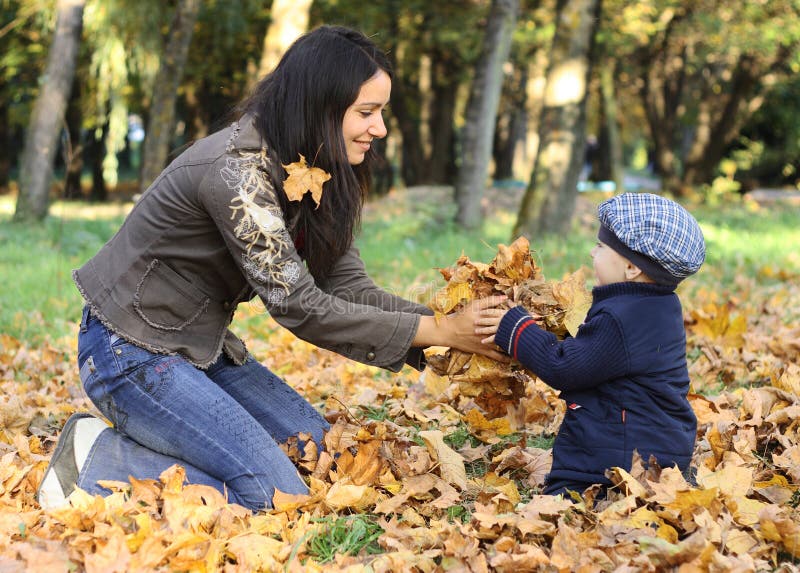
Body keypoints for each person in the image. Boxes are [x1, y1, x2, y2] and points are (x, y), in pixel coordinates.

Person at [37, 25, 505, 512]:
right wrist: (441, 330)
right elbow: (299, 306)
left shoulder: (313, 167)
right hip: (129, 353)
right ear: (319, 107)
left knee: (319, 455)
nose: (380, 129)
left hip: (201, 350)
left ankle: (178, 439)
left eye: (380, 112)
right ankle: (95, 458)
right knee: (276, 494)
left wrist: (457, 334)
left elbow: (348, 287)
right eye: (366, 113)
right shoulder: (237, 172)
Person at [474, 193, 705, 497]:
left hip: (619, 462)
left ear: (632, 268)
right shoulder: (656, 305)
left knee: (564, 500)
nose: (592, 252)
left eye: (601, 247)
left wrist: (515, 328)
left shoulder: (621, 318)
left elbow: (564, 367)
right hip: (654, 445)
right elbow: (593, 355)